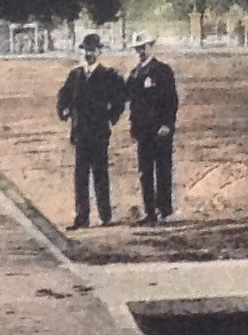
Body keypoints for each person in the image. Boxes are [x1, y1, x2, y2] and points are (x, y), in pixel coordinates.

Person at [55, 32, 125, 229]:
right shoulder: (75, 75)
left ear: (99, 52)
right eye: (86, 50)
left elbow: (119, 99)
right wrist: (64, 111)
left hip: (99, 132)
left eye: (92, 50)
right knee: (81, 176)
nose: (88, 54)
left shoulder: (108, 76)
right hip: (80, 132)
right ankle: (82, 217)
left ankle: (105, 216)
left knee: (100, 174)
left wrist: (110, 117)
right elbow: (63, 97)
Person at [125, 31, 179, 224]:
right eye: (137, 48)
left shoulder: (162, 71)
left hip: (160, 129)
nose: (140, 51)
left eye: (143, 47)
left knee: (162, 170)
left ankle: (164, 210)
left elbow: (171, 100)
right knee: (145, 172)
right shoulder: (134, 74)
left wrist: (167, 124)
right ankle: (150, 212)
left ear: (151, 47)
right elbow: (131, 102)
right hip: (143, 131)